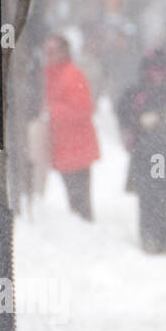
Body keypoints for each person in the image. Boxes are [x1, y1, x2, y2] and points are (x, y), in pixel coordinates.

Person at [118, 50, 166, 254]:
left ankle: (163, 235)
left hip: (164, 152)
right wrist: (140, 122)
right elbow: (124, 115)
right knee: (149, 194)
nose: (156, 75)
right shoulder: (136, 93)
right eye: (153, 71)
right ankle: (150, 234)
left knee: (163, 193)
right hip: (146, 153)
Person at [43, 33, 101, 221]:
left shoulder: (71, 75)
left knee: (79, 201)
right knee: (74, 198)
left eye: (52, 51)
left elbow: (83, 109)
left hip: (77, 148)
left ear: (64, 52)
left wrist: (51, 111)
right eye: (46, 52)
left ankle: (85, 233)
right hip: (64, 147)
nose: (48, 56)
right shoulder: (50, 74)